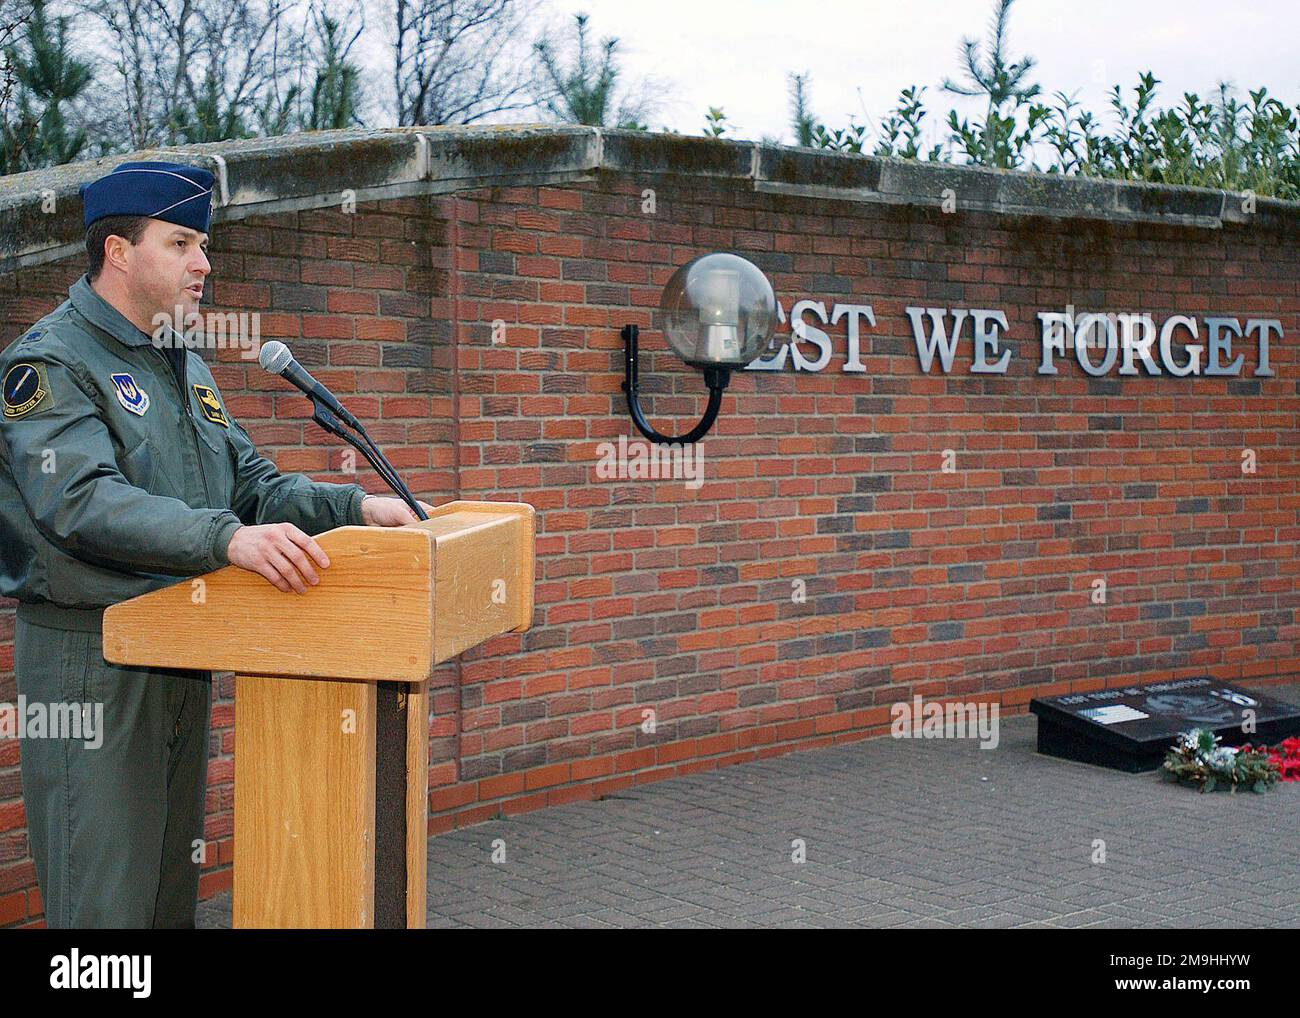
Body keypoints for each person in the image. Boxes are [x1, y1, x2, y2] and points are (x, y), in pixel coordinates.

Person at [0, 160, 431, 928]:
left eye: (203, 244)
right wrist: (225, 540)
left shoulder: (181, 363)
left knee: (168, 897)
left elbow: (251, 487)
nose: (205, 264)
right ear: (119, 252)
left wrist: (357, 507)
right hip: (91, 663)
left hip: (181, 644)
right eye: (182, 243)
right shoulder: (52, 364)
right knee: (104, 905)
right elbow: (80, 500)